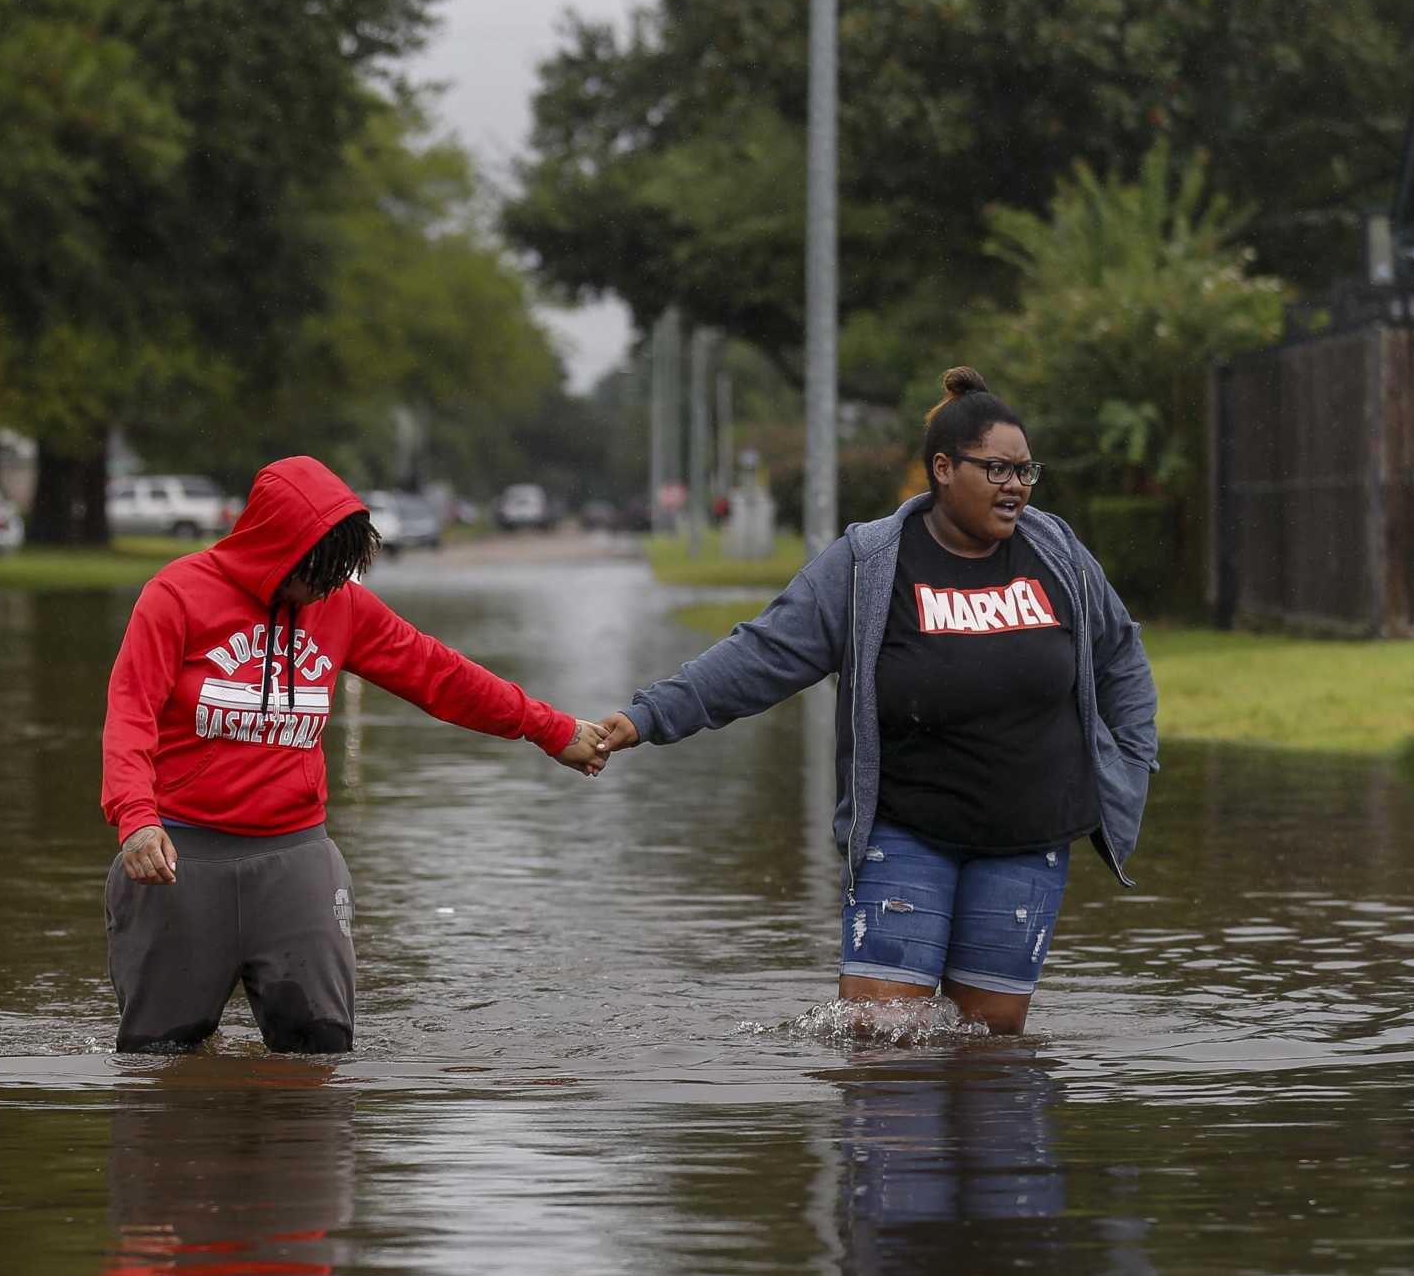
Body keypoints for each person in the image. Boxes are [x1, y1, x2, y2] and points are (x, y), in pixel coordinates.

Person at [595, 367, 1157, 1034]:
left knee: (992, 1057)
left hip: (1027, 842)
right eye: (999, 470)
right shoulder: (870, 563)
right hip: (907, 835)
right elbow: (763, 653)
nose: (1016, 487)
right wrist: (648, 716)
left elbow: (1121, 654)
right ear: (943, 469)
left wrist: (1133, 756)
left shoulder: (1056, 552)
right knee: (880, 1045)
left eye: (1026, 471)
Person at [100, 456, 608, 1054]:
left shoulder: (340, 606)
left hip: (295, 857)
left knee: (321, 1057)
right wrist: (135, 819)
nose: (322, 586)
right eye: (314, 570)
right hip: (180, 861)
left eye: (336, 572)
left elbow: (441, 676)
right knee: (159, 1066)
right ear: (273, 548)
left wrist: (551, 729)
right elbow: (130, 716)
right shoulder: (176, 595)